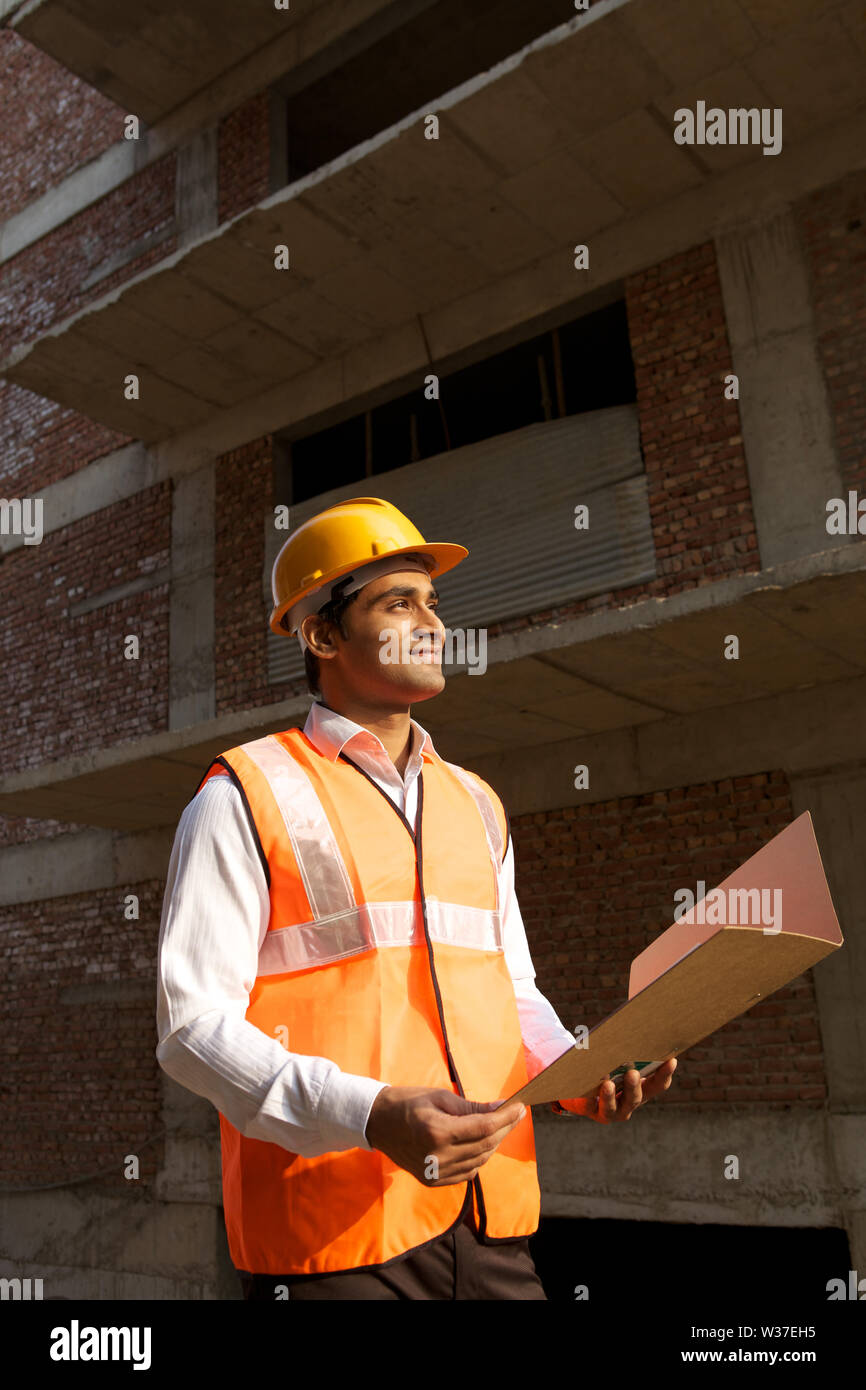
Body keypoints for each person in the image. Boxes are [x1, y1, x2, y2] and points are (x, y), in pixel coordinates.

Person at [155, 496, 677, 1300]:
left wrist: (577, 1073)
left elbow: (510, 992)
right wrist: (371, 1113)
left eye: (433, 602)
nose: (432, 622)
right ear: (323, 636)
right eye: (399, 602)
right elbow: (192, 1029)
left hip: (492, 1216)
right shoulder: (244, 792)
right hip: (333, 1239)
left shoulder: (475, 802)